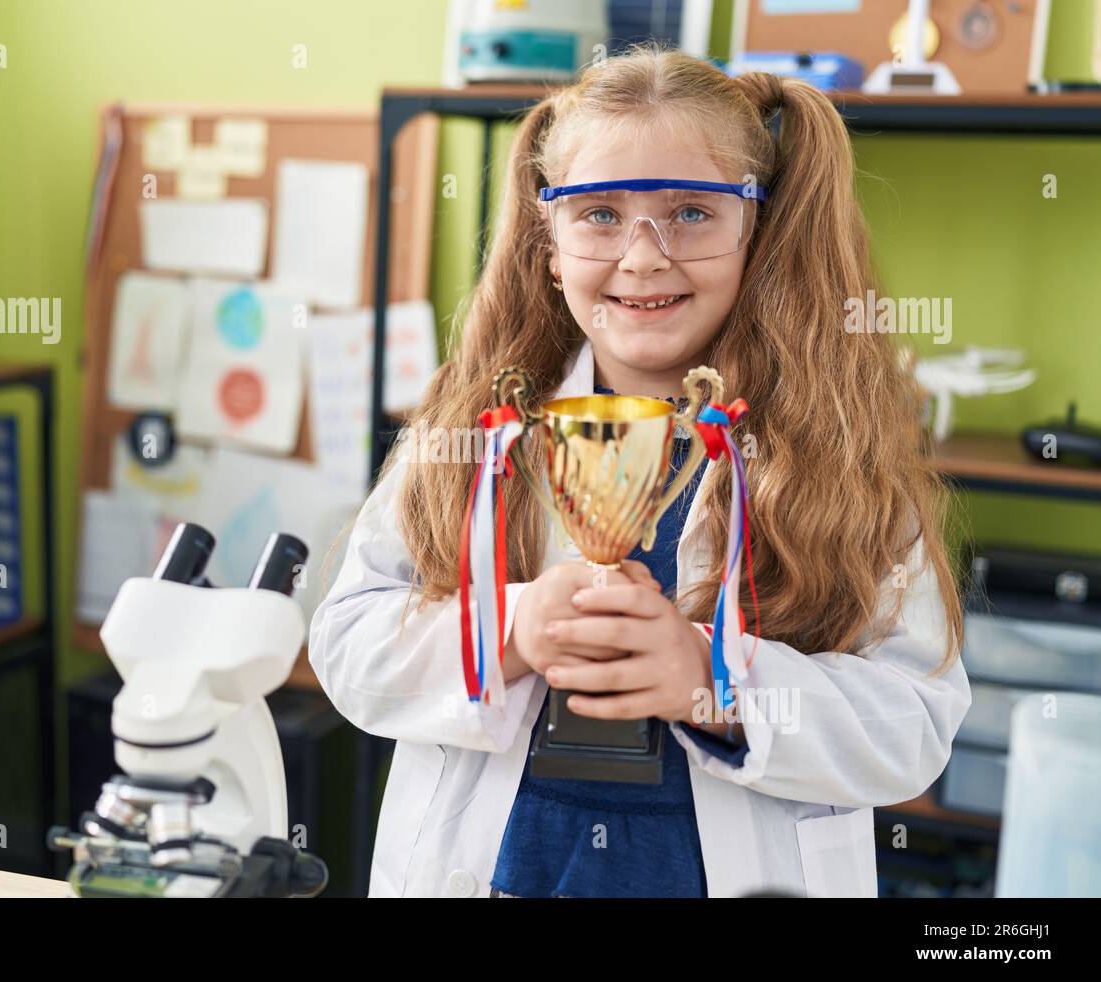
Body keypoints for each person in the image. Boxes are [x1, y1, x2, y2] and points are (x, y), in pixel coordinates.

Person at [309, 45, 970, 898]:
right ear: (549, 239)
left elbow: (913, 728)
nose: (645, 256)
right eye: (599, 215)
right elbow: (347, 647)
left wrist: (711, 682)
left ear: (755, 232)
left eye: (693, 212)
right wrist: (508, 631)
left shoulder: (840, 454)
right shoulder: (472, 428)